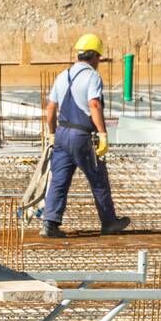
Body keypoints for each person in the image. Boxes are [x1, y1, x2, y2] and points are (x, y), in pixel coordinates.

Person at [40, 33, 130, 239]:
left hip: (62, 134)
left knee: (58, 180)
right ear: (95, 56)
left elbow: (51, 108)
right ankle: (109, 222)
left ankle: (49, 224)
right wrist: (102, 133)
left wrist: (52, 133)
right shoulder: (92, 77)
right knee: (98, 178)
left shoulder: (62, 75)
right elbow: (94, 104)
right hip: (81, 136)